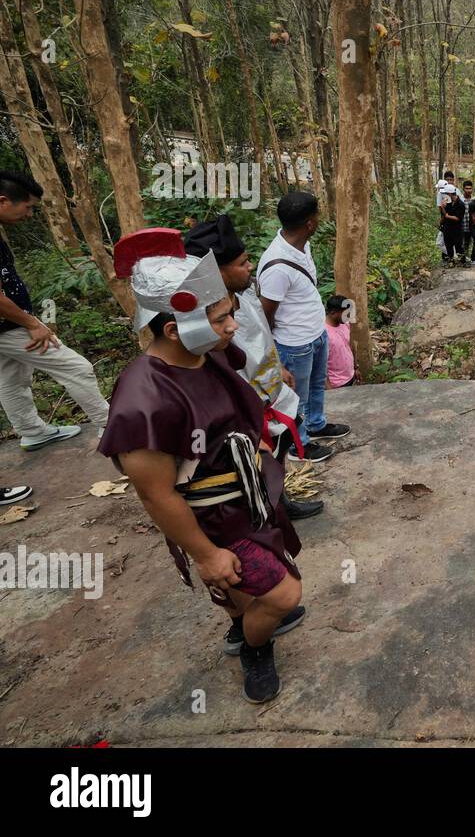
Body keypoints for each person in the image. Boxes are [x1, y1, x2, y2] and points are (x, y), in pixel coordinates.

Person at [100, 228, 305, 704]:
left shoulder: (205, 355)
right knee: (284, 596)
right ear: (172, 329)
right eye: (219, 318)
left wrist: (257, 450)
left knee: (245, 587)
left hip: (247, 497)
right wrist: (206, 554)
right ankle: (257, 645)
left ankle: (242, 625)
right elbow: (157, 494)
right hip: (210, 516)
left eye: (229, 312)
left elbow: (241, 400)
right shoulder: (142, 402)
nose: (233, 326)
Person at [183, 215, 327, 517]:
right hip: (244, 401)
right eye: (242, 263)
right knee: (255, 455)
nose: (250, 267)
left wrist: (279, 368)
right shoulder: (206, 319)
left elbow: (263, 330)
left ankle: (280, 498)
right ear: (218, 273)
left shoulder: (246, 294)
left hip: (270, 386)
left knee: (280, 442)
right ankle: (264, 505)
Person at [0, 171, 111, 450]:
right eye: (28, 207)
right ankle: (110, 427)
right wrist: (32, 323)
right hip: (8, 325)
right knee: (76, 367)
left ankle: (32, 431)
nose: (29, 215)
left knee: (12, 378)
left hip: (9, 323)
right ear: (3, 201)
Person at [257, 190, 350, 449]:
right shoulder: (277, 267)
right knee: (296, 396)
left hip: (315, 334)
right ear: (310, 223)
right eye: (317, 217)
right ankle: (298, 444)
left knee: (316, 387)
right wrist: (276, 360)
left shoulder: (302, 245)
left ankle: (316, 424)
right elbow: (265, 315)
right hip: (294, 344)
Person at [324, 296, 356, 388]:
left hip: (350, 377)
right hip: (336, 384)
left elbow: (349, 346)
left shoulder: (345, 324)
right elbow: (321, 364)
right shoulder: (323, 334)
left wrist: (355, 368)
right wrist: (328, 387)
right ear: (333, 312)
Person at [439, 182, 466, 264]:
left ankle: (463, 262)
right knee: (448, 245)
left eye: (446, 193)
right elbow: (445, 213)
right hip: (447, 228)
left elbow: (458, 218)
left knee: (458, 246)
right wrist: (443, 207)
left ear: (450, 194)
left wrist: (447, 216)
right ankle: (451, 261)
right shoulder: (448, 203)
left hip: (457, 229)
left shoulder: (461, 204)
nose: (444, 195)